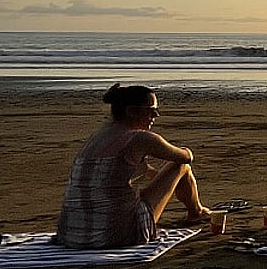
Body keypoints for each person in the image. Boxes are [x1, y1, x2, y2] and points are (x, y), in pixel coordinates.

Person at [55, 83, 210, 249]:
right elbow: (185, 157)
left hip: (71, 235)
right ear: (131, 111)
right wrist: (185, 152)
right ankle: (196, 212)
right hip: (117, 236)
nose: (155, 116)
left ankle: (196, 211)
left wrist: (159, 178)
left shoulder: (98, 137)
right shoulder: (141, 138)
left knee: (136, 192)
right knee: (180, 167)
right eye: (151, 110)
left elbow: (126, 172)